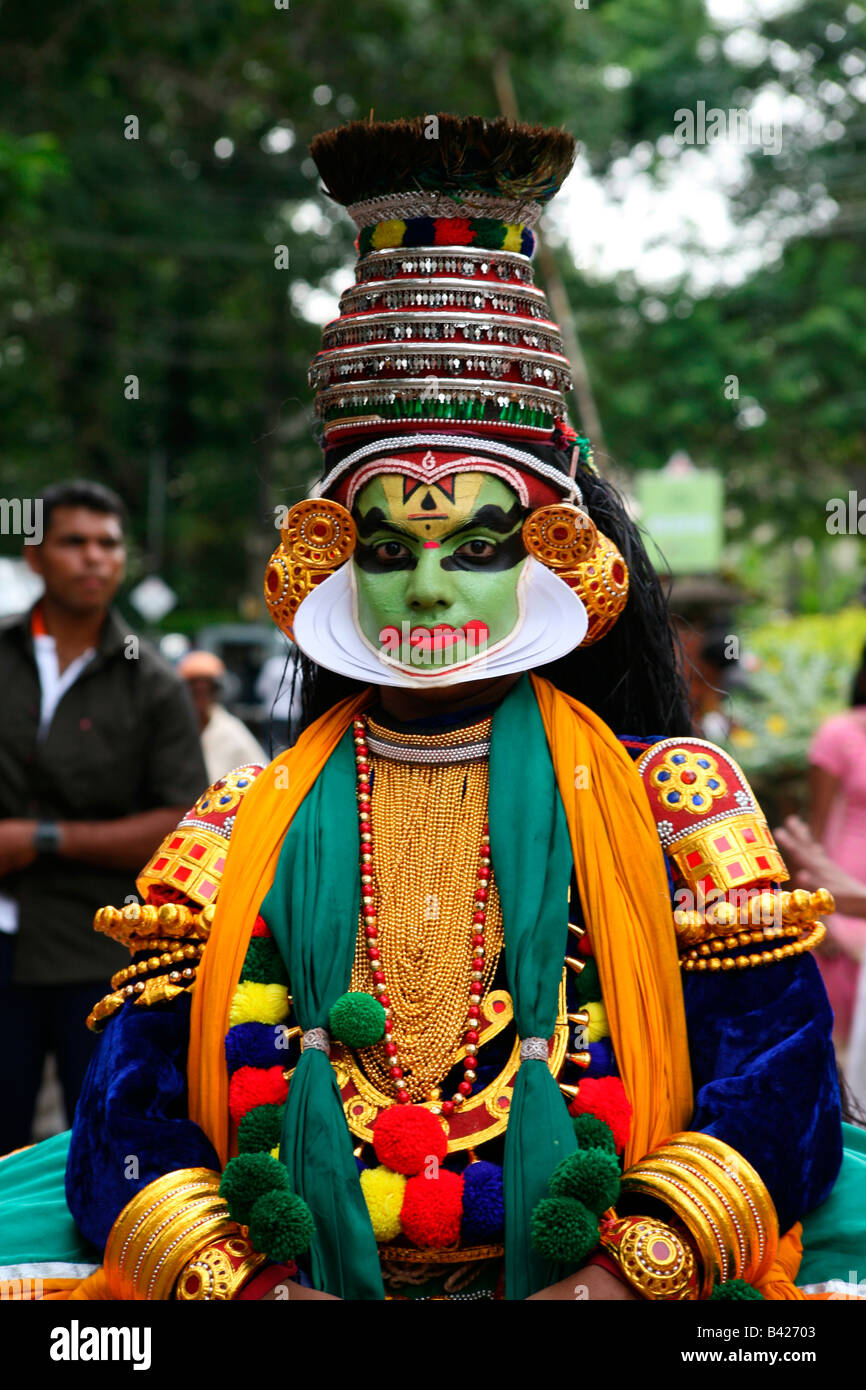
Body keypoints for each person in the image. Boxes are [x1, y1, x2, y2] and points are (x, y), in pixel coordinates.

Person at [0, 118, 858, 1303]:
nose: (427, 583)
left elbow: (778, 1084)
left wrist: (621, 1273)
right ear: (332, 561)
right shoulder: (237, 821)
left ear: (557, 556)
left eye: (478, 542)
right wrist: (239, 1283)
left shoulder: (673, 799)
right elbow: (128, 1110)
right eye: (389, 544)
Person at [0, 480, 208, 1152]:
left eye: (108, 544)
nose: (93, 558)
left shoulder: (152, 682)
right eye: (73, 542)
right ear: (35, 555)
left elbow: (184, 821)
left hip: (91, 952)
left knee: (88, 1149)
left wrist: (45, 838)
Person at [803, 650, 866, 1048]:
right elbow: (817, 825)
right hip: (840, 894)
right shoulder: (839, 734)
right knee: (840, 1040)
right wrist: (814, 906)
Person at [178, 650, 266, 783]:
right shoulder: (171, 727)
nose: (200, 696)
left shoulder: (231, 731)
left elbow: (261, 776)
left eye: (206, 689)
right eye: (194, 690)